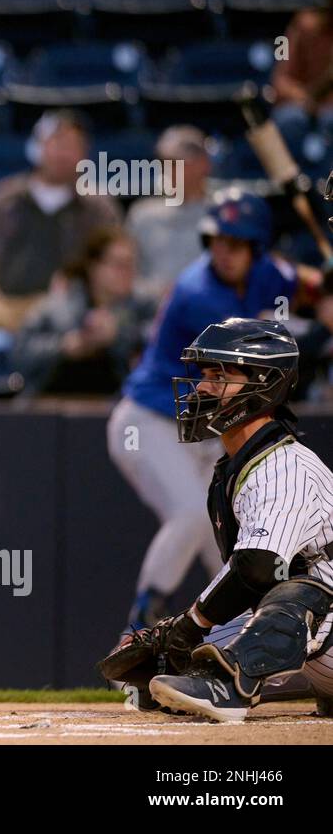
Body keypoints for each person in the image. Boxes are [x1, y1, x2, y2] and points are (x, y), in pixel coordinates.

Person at [107, 189, 333, 633]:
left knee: (235, 545)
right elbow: (263, 349)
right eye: (219, 242)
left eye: (236, 244)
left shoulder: (265, 271)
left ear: (255, 247)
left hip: (205, 425)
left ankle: (244, 641)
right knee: (191, 514)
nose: (225, 254)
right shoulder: (198, 293)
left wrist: (322, 282)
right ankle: (140, 624)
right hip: (149, 419)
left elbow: (301, 283)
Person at [100, 319, 333, 722]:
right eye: (205, 375)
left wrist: (194, 620)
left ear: (264, 383)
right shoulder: (232, 469)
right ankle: (221, 676)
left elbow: (259, 567)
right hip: (319, 648)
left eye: (220, 375)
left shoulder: (287, 467)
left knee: (299, 589)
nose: (203, 388)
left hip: (322, 619)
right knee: (172, 662)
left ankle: (230, 687)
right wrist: (180, 632)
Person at [0, 109, 122, 336]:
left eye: (72, 145)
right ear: (38, 147)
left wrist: (82, 281)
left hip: (68, 309)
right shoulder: (4, 198)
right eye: (56, 143)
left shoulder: (98, 209)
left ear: (84, 153)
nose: (63, 153)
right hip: (5, 305)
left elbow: (118, 259)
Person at [12, 226, 153, 395]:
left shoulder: (146, 305)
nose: (128, 272)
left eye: (132, 264)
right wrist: (63, 346)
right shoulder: (56, 307)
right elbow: (19, 355)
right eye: (119, 265)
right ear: (93, 267)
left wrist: (118, 335)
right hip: (54, 398)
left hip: (123, 401)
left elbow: (164, 345)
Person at [124, 126, 215, 302]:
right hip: (150, 311)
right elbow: (125, 272)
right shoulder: (142, 214)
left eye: (178, 163)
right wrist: (155, 292)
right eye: (165, 163)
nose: (170, 171)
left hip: (212, 309)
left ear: (204, 164)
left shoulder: (223, 213)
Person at [269, 0, 333, 153]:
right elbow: (280, 80)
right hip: (303, 105)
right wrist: (307, 99)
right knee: (289, 120)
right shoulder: (302, 25)